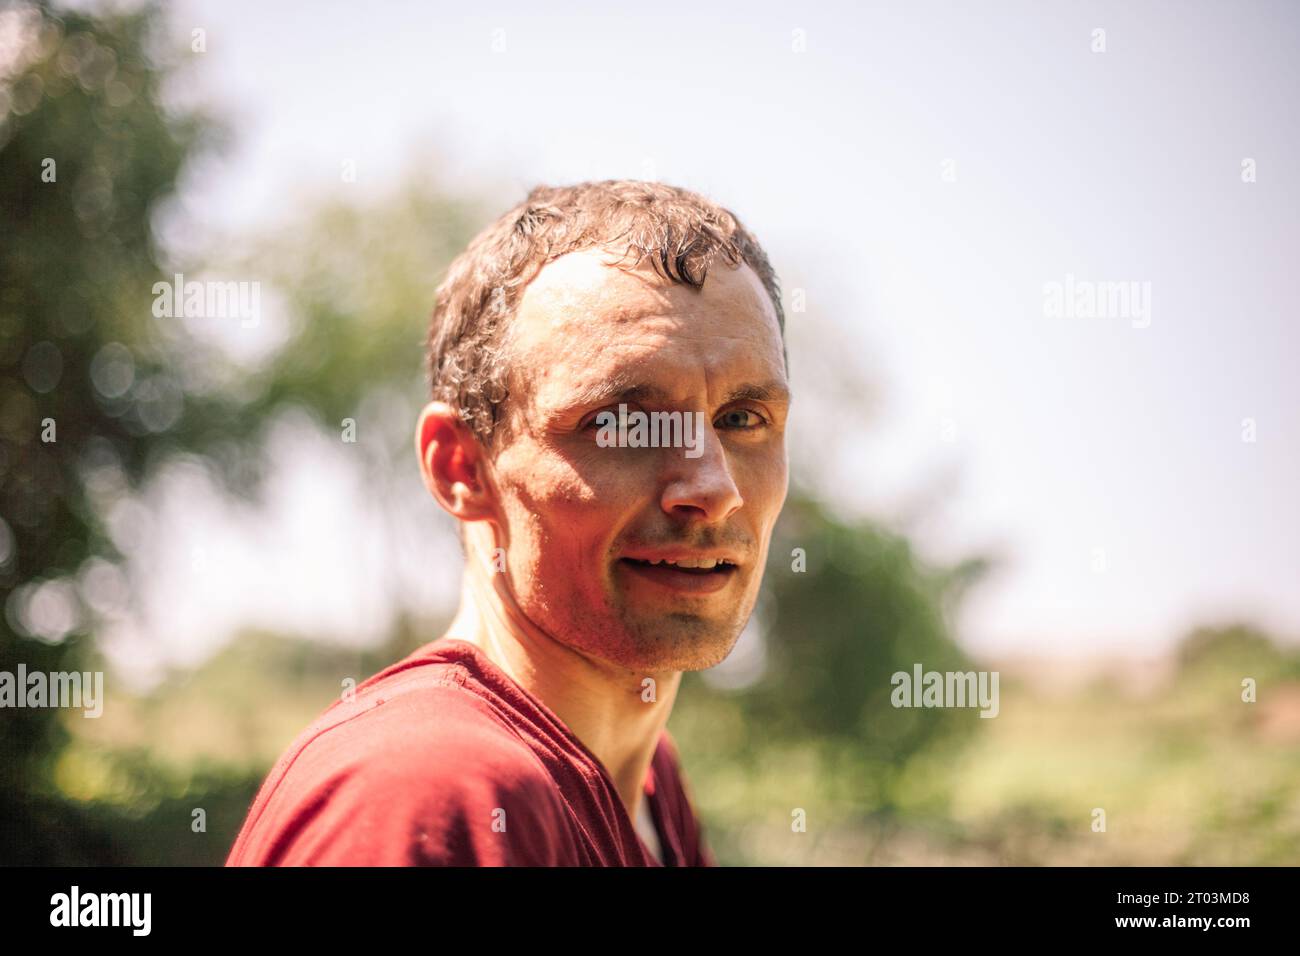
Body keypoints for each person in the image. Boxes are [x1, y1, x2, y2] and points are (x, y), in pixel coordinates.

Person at [226, 179, 791, 866]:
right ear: (461, 466)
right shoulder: (427, 796)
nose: (713, 488)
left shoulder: (648, 784)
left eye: (741, 419)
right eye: (623, 424)